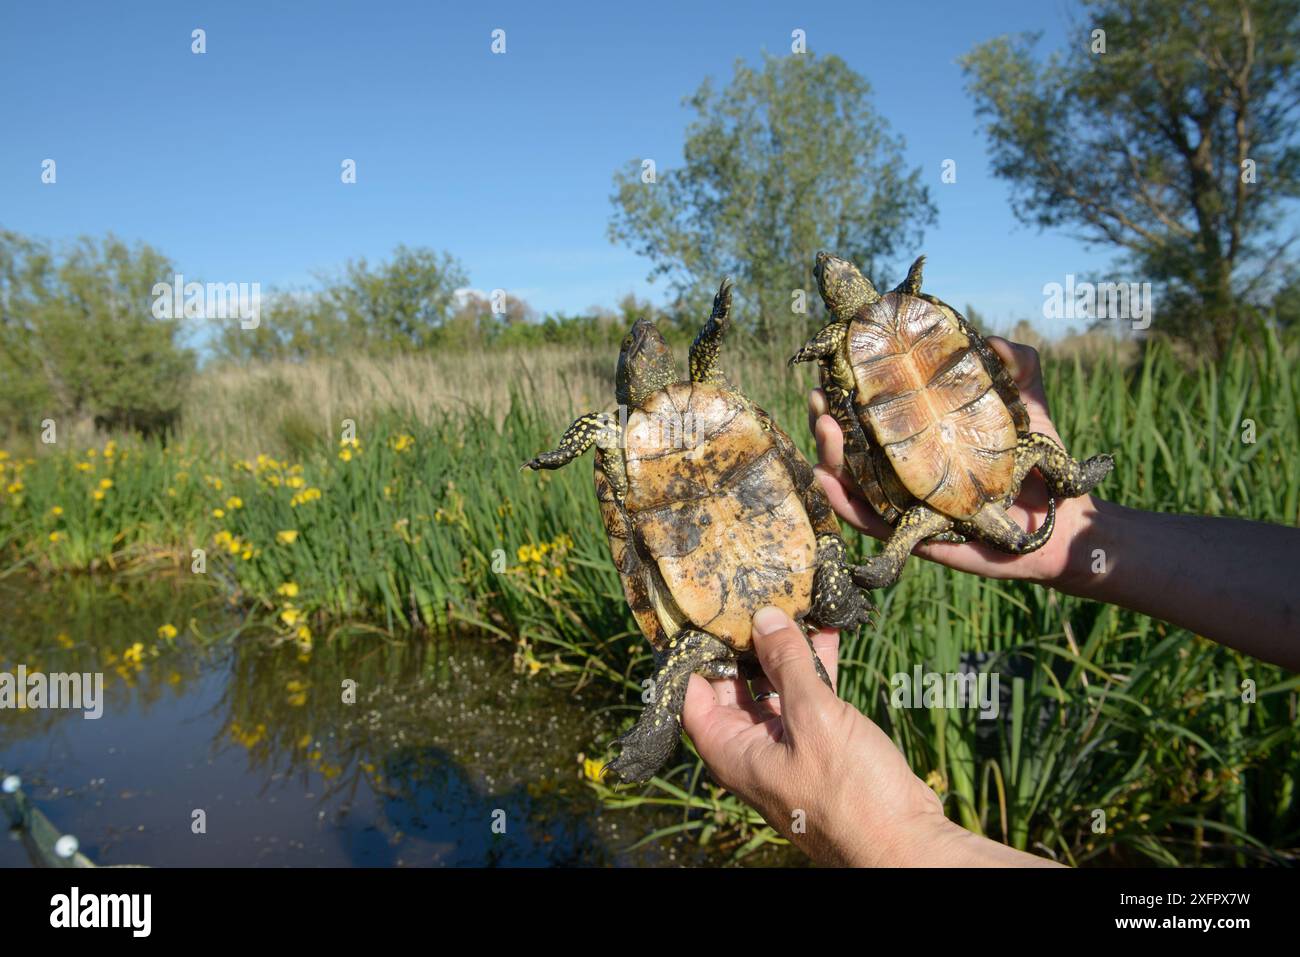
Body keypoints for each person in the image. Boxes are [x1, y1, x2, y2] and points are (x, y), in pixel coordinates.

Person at [681, 338, 1300, 867]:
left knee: (893, 514)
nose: (1017, 537)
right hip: (962, 439)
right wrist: (1089, 537)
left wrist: (890, 840)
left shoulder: (925, 517)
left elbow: (901, 535)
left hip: (926, 482)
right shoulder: (993, 481)